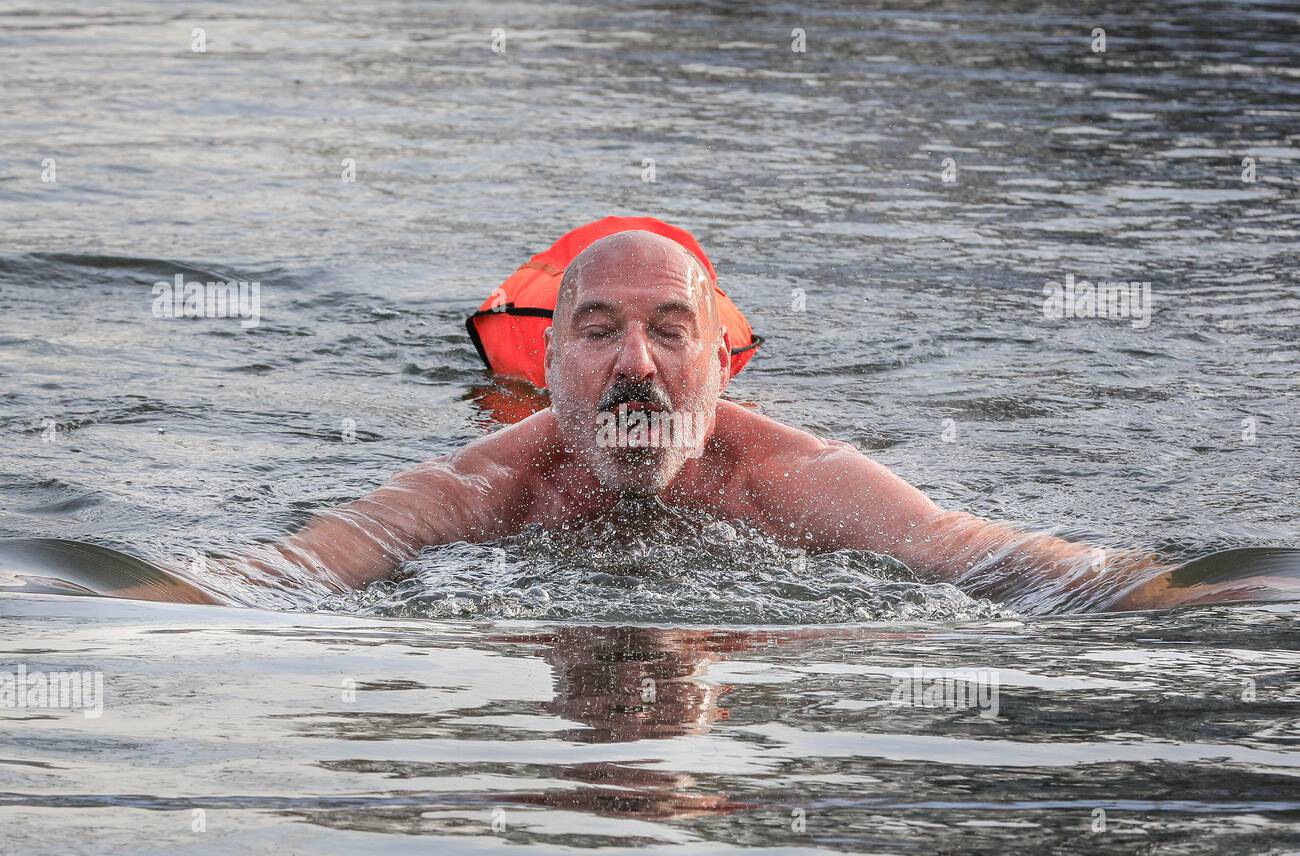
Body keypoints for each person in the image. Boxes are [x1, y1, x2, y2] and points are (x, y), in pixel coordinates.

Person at [194, 229, 1292, 614]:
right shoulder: (480, 486)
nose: (635, 365)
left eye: (670, 331)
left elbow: (1017, 566)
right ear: (551, 365)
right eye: (599, 332)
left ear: (720, 364)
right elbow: (274, 577)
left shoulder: (797, 478)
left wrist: (1246, 586)